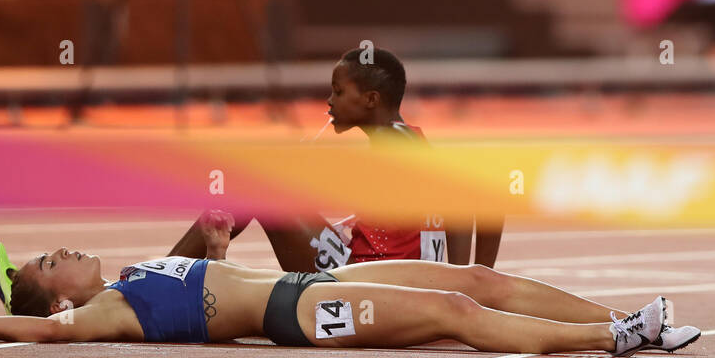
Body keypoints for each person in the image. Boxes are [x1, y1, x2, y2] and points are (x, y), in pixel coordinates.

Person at [0, 219, 702, 357]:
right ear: (62, 298)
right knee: (457, 314)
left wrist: (212, 243)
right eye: (49, 263)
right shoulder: (100, 313)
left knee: (474, 276)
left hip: (311, 282)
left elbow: (208, 270)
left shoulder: (135, 274)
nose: (62, 252)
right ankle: (611, 340)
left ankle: (626, 318)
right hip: (304, 315)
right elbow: (41, 332)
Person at [168, 47, 505, 270]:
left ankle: (152, 278)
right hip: (366, 267)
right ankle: (157, 276)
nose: (329, 101)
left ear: (371, 99)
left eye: (339, 92)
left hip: (363, 282)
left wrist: (465, 282)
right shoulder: (405, 138)